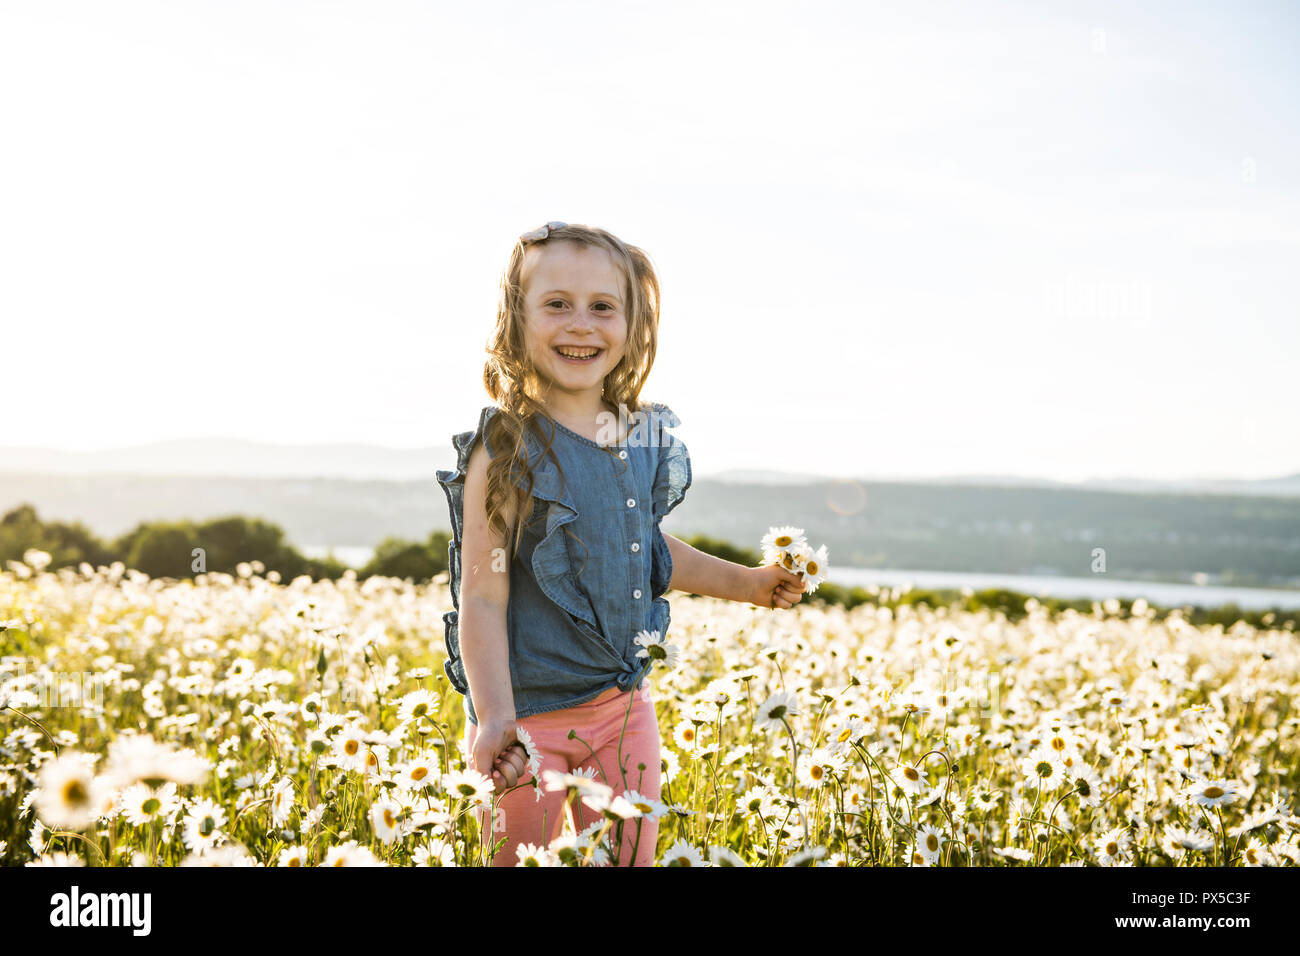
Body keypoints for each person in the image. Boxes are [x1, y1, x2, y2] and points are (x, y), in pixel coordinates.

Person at [435, 220, 807, 866]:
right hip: (528, 720)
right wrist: (494, 715)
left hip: (625, 710)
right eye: (556, 304)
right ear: (515, 321)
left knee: (630, 859)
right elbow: (484, 595)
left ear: (633, 326)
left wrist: (747, 583)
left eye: (602, 307)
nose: (581, 324)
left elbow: (646, 549)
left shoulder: (637, 436)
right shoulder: (505, 450)